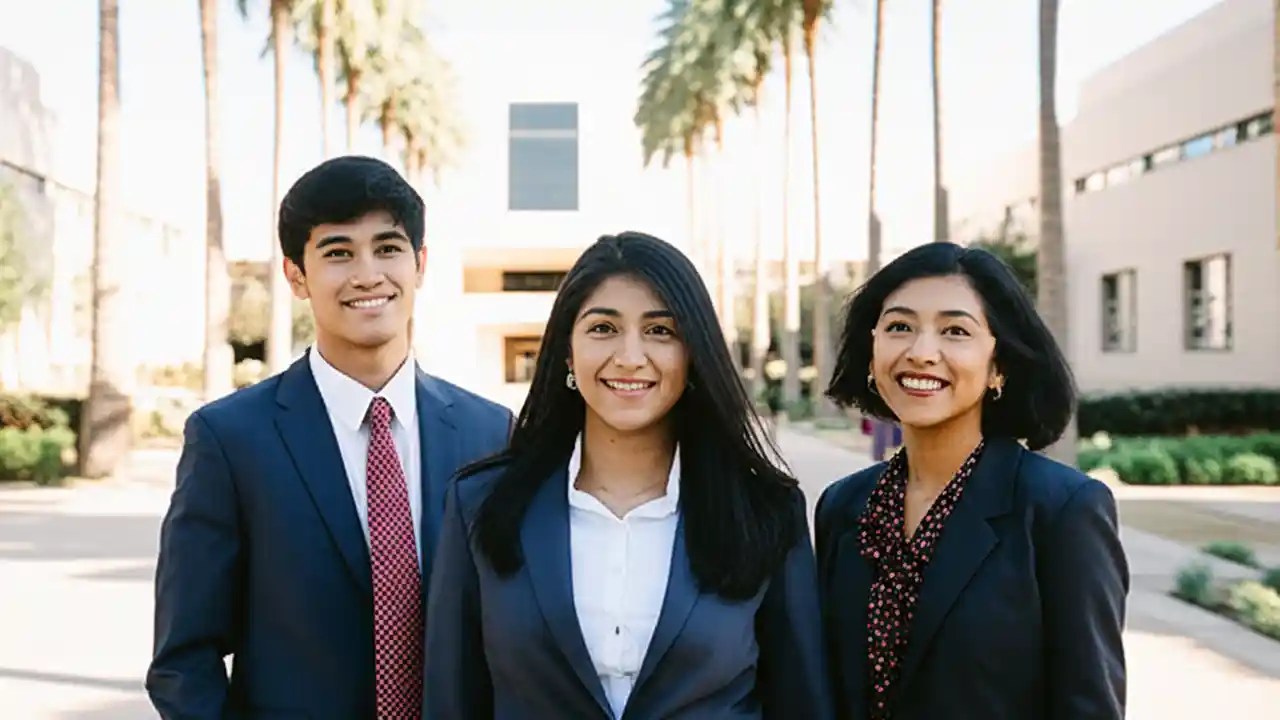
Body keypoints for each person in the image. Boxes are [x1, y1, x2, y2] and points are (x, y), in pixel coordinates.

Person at [146, 156, 513, 719]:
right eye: (338, 253)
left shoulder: (489, 432)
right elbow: (183, 659)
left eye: (387, 248)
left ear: (419, 264)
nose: (368, 274)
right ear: (296, 276)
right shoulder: (231, 438)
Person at [424, 231, 834, 719]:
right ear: (567, 354)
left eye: (660, 331)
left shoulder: (765, 509)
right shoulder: (480, 503)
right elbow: (452, 701)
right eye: (603, 328)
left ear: (693, 355)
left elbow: (802, 702)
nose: (630, 356)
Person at [815, 242, 1128, 720]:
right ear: (871, 348)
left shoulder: (1062, 510)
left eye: (955, 331)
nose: (921, 352)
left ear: (998, 365)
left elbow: (1088, 705)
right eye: (899, 326)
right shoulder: (844, 506)